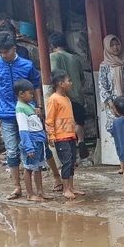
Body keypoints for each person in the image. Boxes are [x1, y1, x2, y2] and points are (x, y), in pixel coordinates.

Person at [0, 31, 41, 200]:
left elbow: (36, 85)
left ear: (14, 48)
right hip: (6, 114)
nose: (4, 55)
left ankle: (33, 189)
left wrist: (38, 106)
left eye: (6, 52)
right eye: (1, 52)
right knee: (12, 151)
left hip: (26, 113)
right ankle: (17, 187)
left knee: (30, 149)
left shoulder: (27, 65)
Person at [48, 31, 88, 164]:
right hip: (77, 94)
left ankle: (72, 156)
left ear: (52, 44)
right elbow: (82, 79)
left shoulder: (52, 57)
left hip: (64, 97)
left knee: (67, 125)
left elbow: (53, 77)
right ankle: (81, 141)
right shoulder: (74, 58)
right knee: (79, 122)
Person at [97, 34, 124, 174]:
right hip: (114, 106)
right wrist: (110, 103)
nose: (115, 47)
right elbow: (102, 86)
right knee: (118, 136)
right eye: (112, 45)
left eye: (117, 44)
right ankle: (122, 163)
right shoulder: (104, 66)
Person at [46, 71, 82, 200]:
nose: (70, 83)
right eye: (69, 81)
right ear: (61, 84)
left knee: (72, 162)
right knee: (66, 162)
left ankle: (71, 187)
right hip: (61, 137)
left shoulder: (66, 98)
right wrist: (51, 135)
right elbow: (49, 119)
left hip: (70, 135)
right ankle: (65, 188)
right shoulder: (53, 99)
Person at [14, 79, 49, 201]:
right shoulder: (20, 109)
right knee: (29, 168)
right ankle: (30, 194)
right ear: (21, 94)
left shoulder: (29, 106)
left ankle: (40, 191)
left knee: (38, 167)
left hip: (38, 141)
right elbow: (23, 130)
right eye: (30, 93)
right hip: (31, 143)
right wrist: (28, 147)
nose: (32, 96)